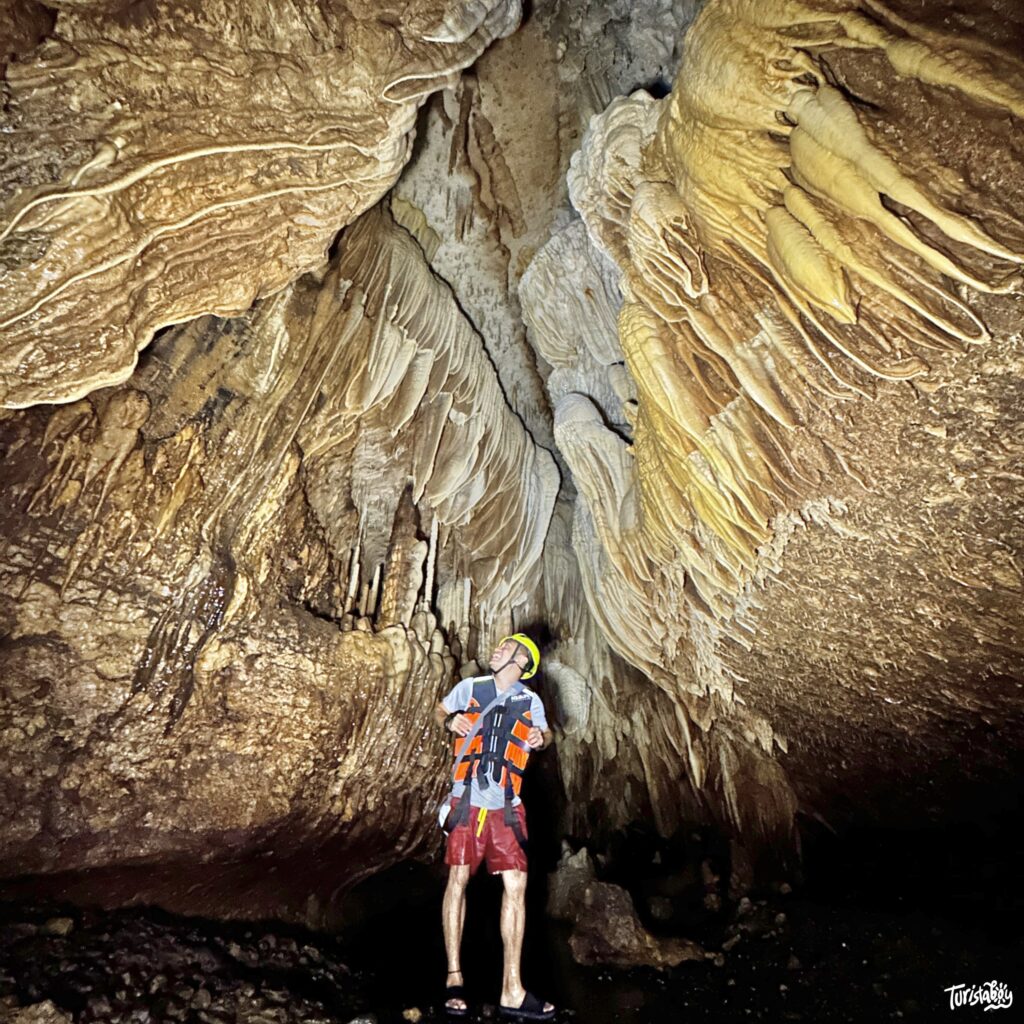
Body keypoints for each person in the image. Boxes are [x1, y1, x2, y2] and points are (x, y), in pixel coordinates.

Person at [435, 634, 556, 1020]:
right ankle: (454, 978)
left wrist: (541, 737)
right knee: (458, 879)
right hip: (467, 800)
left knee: (517, 886)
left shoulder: (530, 701)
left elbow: (547, 733)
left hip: (506, 805)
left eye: (506, 647)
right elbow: (440, 710)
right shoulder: (470, 687)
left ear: (521, 661)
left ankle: (512, 989)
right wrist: (449, 719)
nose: (497, 649)